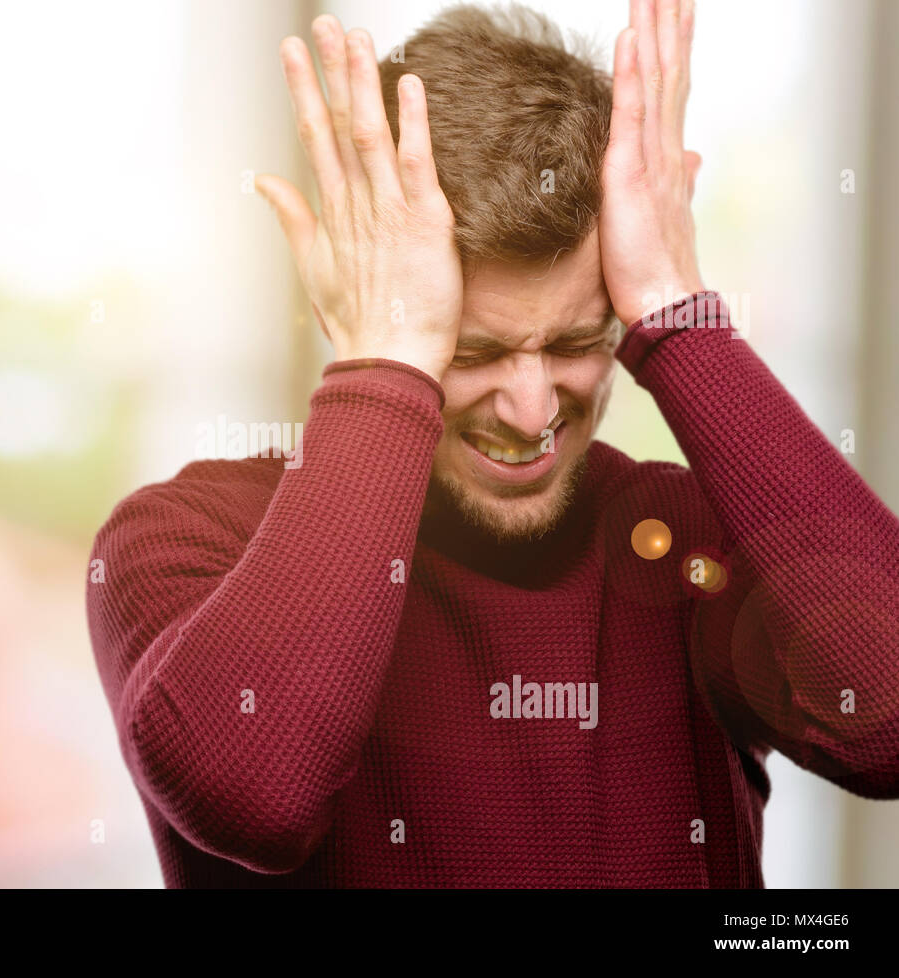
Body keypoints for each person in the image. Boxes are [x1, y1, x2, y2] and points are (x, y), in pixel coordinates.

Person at [85, 0, 899, 887]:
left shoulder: (683, 541)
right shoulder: (186, 537)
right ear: (344, 308)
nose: (530, 407)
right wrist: (389, 359)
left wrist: (676, 311)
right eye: (468, 352)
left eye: (578, 343)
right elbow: (252, 794)